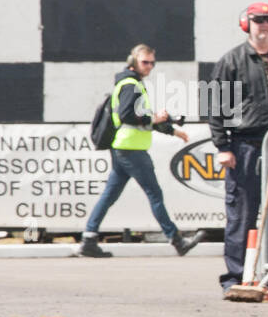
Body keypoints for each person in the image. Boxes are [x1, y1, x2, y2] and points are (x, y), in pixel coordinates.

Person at [76, 45, 200, 258]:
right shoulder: (130, 85)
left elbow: (142, 119)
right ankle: (177, 240)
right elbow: (127, 116)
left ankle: (89, 238)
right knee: (155, 195)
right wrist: (155, 119)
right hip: (131, 149)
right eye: (145, 62)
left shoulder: (131, 84)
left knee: (109, 195)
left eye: (152, 62)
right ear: (133, 61)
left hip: (124, 148)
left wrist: (172, 130)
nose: (150, 66)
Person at [210, 3, 268, 295]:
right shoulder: (232, 60)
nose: (263, 25)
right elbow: (216, 106)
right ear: (247, 25)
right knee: (242, 212)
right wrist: (223, 145)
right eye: (258, 20)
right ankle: (234, 278)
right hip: (244, 145)